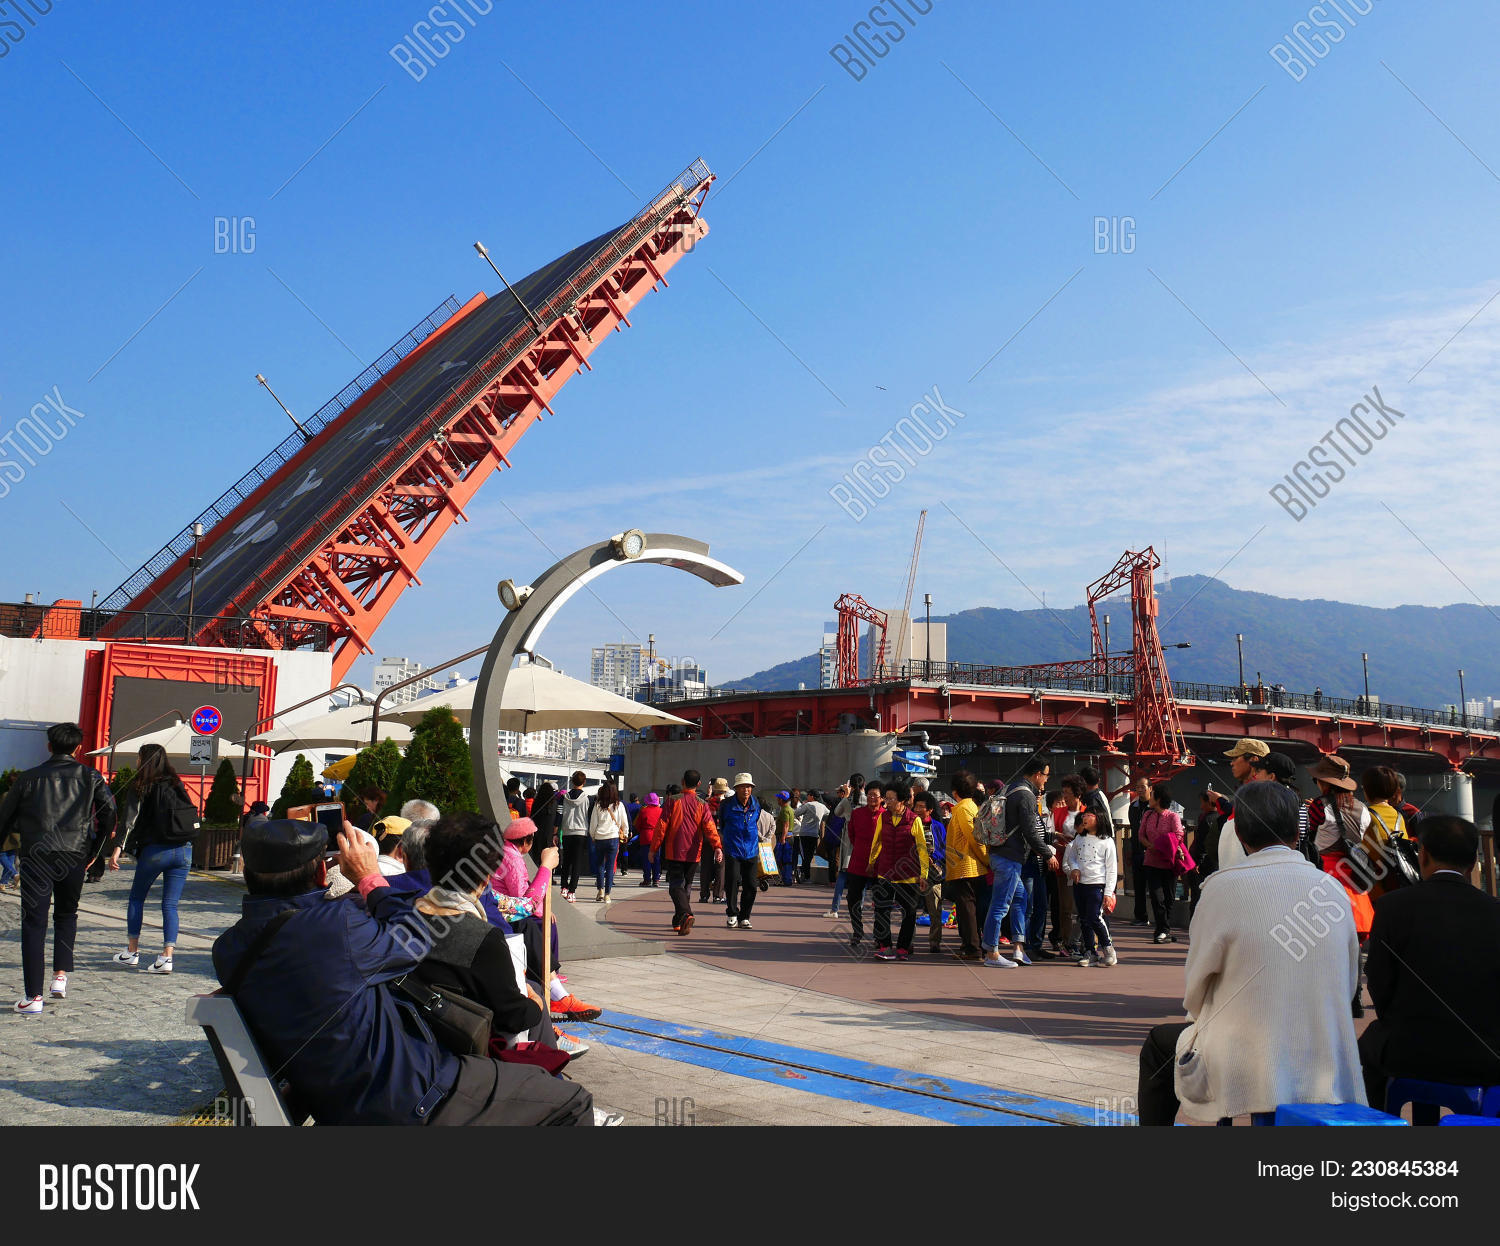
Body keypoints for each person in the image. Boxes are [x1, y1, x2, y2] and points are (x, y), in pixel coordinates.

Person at [213, 816, 593, 1125]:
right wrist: (367, 877)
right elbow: (416, 937)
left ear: (248, 874)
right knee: (572, 1102)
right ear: (319, 875)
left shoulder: (227, 949)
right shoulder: (338, 925)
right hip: (414, 1096)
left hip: (330, 1101)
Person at [1136, 781, 1365, 1125]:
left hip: (1246, 1056)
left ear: (1239, 832)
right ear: (1295, 831)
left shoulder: (1220, 887)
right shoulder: (1331, 889)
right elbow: (1349, 984)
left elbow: (1196, 987)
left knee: (1159, 1046)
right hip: (1327, 1059)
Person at [1358, 815, 1500, 1110]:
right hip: (1483, 1056)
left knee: (1367, 1049)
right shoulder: (1494, 911)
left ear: (1422, 855)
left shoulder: (1391, 907)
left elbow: (1380, 983)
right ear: (1473, 862)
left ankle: (1382, 1130)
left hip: (1407, 1051)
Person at [414, 813, 558, 1051]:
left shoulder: (404, 918)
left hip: (418, 1037)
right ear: (485, 878)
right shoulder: (482, 938)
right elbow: (513, 1017)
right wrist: (536, 1005)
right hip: (464, 1052)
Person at [0, 723, 117, 1014]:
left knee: (34, 921)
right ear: (78, 748)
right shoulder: (90, 776)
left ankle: (33, 996)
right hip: (74, 852)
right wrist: (95, 850)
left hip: (36, 854)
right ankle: (60, 977)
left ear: (49, 746)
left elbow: (4, 818)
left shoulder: (28, 778)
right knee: (67, 913)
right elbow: (110, 813)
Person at [101, 743, 200, 974]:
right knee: (170, 904)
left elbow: (129, 821)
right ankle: (167, 957)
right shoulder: (176, 783)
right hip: (184, 849)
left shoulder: (140, 786)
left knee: (137, 898)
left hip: (156, 851)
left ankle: (132, 951)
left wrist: (117, 849)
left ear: (143, 760)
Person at [981, 756, 1053, 967]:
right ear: (1038, 774)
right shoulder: (1027, 795)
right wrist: (1048, 854)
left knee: (1020, 899)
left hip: (998, 852)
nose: (1046, 781)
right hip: (1010, 857)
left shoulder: (1009, 788)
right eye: (1046, 776)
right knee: (1000, 905)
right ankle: (991, 953)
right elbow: (1031, 832)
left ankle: (1018, 948)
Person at [869, 779, 929, 961]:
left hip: (908, 875)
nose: (887, 802)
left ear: (902, 800)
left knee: (909, 913)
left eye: (891, 799)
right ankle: (885, 945)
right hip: (885, 872)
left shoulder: (914, 820)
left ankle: (903, 947)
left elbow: (922, 848)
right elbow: (876, 841)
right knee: (881, 910)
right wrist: (871, 861)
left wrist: (923, 874)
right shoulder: (883, 817)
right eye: (886, 799)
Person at [661, 770, 722, 935]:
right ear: (699, 784)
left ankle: (686, 914)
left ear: (682, 781)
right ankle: (679, 920)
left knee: (675, 886)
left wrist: (653, 849)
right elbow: (709, 827)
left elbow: (662, 826)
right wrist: (717, 846)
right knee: (686, 886)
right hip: (694, 852)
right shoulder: (702, 804)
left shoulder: (672, 801)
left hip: (674, 850)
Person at [943, 771, 988, 959]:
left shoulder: (962, 809)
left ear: (954, 792)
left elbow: (975, 838)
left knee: (967, 909)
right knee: (969, 909)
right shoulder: (971, 806)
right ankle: (972, 944)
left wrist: (986, 859)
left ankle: (973, 948)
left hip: (965, 867)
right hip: (971, 866)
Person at [1063, 807, 1117, 966]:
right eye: (1084, 815)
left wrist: (1108, 892)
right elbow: (1072, 858)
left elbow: (1112, 868)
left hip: (1097, 885)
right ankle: (1090, 952)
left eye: (1089, 815)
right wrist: (1074, 868)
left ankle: (1108, 948)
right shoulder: (1079, 839)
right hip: (1080, 885)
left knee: (1094, 917)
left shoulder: (1107, 841)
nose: (1085, 818)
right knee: (1084, 918)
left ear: (1099, 818)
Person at [1207, 738, 1270, 871]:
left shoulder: (1258, 793)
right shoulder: (1253, 791)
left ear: (1253, 760)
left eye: (1236, 758)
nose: (1231, 763)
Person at [1139, 782, 1188, 944]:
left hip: (1169, 862)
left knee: (1169, 898)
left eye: (1152, 795)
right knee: (1156, 896)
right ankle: (1163, 930)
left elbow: (1179, 834)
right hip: (1151, 862)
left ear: (1158, 799)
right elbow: (1141, 836)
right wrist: (1150, 846)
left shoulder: (1173, 816)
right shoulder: (1147, 815)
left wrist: (1162, 846)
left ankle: (1162, 930)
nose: (1149, 797)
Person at [843, 779, 885, 949]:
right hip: (858, 863)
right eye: (869, 795)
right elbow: (851, 835)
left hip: (879, 866)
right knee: (852, 898)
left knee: (881, 901)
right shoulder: (857, 813)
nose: (872, 798)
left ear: (882, 798)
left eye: (875, 795)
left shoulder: (886, 815)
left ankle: (878, 935)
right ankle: (857, 931)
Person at [718, 773, 763, 929]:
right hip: (733, 849)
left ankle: (745, 916)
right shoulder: (726, 805)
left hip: (751, 849)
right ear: (736, 788)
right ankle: (732, 913)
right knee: (732, 881)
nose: (746, 790)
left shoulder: (756, 803)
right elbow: (722, 824)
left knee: (751, 884)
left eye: (749, 787)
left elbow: (755, 821)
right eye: (743, 786)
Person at [912, 790, 946, 954]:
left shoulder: (938, 826)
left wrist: (934, 856)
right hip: (913, 872)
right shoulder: (911, 824)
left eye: (921, 807)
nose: (917, 809)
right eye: (916, 806)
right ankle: (908, 941)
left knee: (935, 910)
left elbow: (944, 848)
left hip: (934, 873)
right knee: (910, 909)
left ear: (930, 810)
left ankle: (934, 942)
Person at [588, 782, 628, 903]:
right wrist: (625, 834)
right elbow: (624, 822)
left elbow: (593, 823)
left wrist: (593, 836)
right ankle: (607, 895)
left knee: (600, 865)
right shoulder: (618, 805)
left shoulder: (598, 805)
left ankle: (600, 890)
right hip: (613, 838)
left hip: (600, 838)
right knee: (610, 867)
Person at [556, 771, 592, 903]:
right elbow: (589, 816)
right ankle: (572, 891)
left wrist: (555, 832)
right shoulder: (587, 798)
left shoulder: (563, 797)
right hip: (581, 832)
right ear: (584, 782)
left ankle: (564, 887)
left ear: (572, 781)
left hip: (566, 832)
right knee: (577, 863)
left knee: (566, 861)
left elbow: (559, 815)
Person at [1187, 791, 1219, 914]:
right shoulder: (1223, 819)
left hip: (1203, 866)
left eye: (1202, 803)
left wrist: (1197, 862)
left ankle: (1194, 929)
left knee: (1197, 897)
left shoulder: (1206, 820)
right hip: (1216, 864)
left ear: (1209, 803)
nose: (1201, 806)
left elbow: (1201, 844)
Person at [1126, 775, 1151, 926]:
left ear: (1150, 788)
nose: (1140, 790)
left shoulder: (1154, 807)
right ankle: (1141, 917)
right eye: (1138, 787)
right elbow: (1134, 829)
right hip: (1137, 852)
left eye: (1143, 787)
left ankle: (1159, 919)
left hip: (1152, 852)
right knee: (1139, 886)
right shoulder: (1133, 807)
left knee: (1154, 887)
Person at [700, 777, 730, 905]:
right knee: (720, 865)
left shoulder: (706, 803)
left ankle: (704, 895)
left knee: (705, 865)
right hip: (722, 835)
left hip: (707, 835)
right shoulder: (728, 804)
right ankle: (718, 895)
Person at [795, 790, 827, 883]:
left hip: (804, 833)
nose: (807, 797)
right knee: (809, 855)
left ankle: (805, 876)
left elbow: (796, 813)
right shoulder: (822, 806)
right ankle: (806, 876)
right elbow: (828, 813)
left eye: (808, 795)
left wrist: (802, 804)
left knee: (805, 856)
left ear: (811, 796)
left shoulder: (807, 805)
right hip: (814, 834)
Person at [634, 793, 664, 887]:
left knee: (646, 859)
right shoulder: (661, 811)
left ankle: (647, 880)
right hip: (657, 836)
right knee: (656, 858)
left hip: (646, 836)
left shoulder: (643, 811)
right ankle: (656, 879)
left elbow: (637, 825)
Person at [528, 781, 558, 866]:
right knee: (547, 856)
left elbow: (532, 817)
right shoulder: (554, 803)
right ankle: (548, 876)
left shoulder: (537, 802)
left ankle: (536, 874)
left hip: (537, 832)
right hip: (549, 833)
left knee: (537, 856)